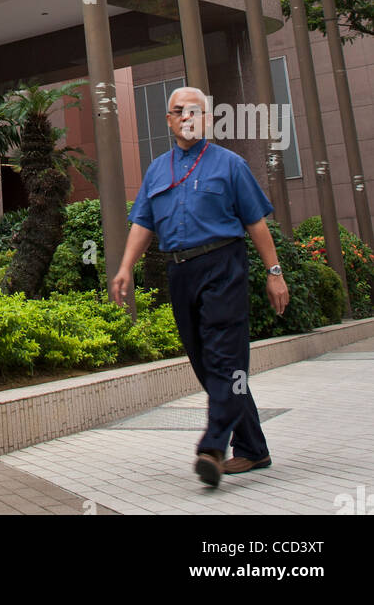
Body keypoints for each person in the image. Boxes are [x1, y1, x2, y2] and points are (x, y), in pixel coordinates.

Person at [110, 86, 290, 488]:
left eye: (195, 111)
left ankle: (212, 447)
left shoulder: (230, 165)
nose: (187, 117)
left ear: (205, 118)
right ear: (169, 120)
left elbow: (256, 222)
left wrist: (273, 272)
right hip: (179, 273)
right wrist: (125, 268)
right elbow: (143, 223)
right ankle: (253, 447)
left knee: (225, 358)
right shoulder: (157, 169)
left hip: (223, 264)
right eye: (179, 111)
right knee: (209, 364)